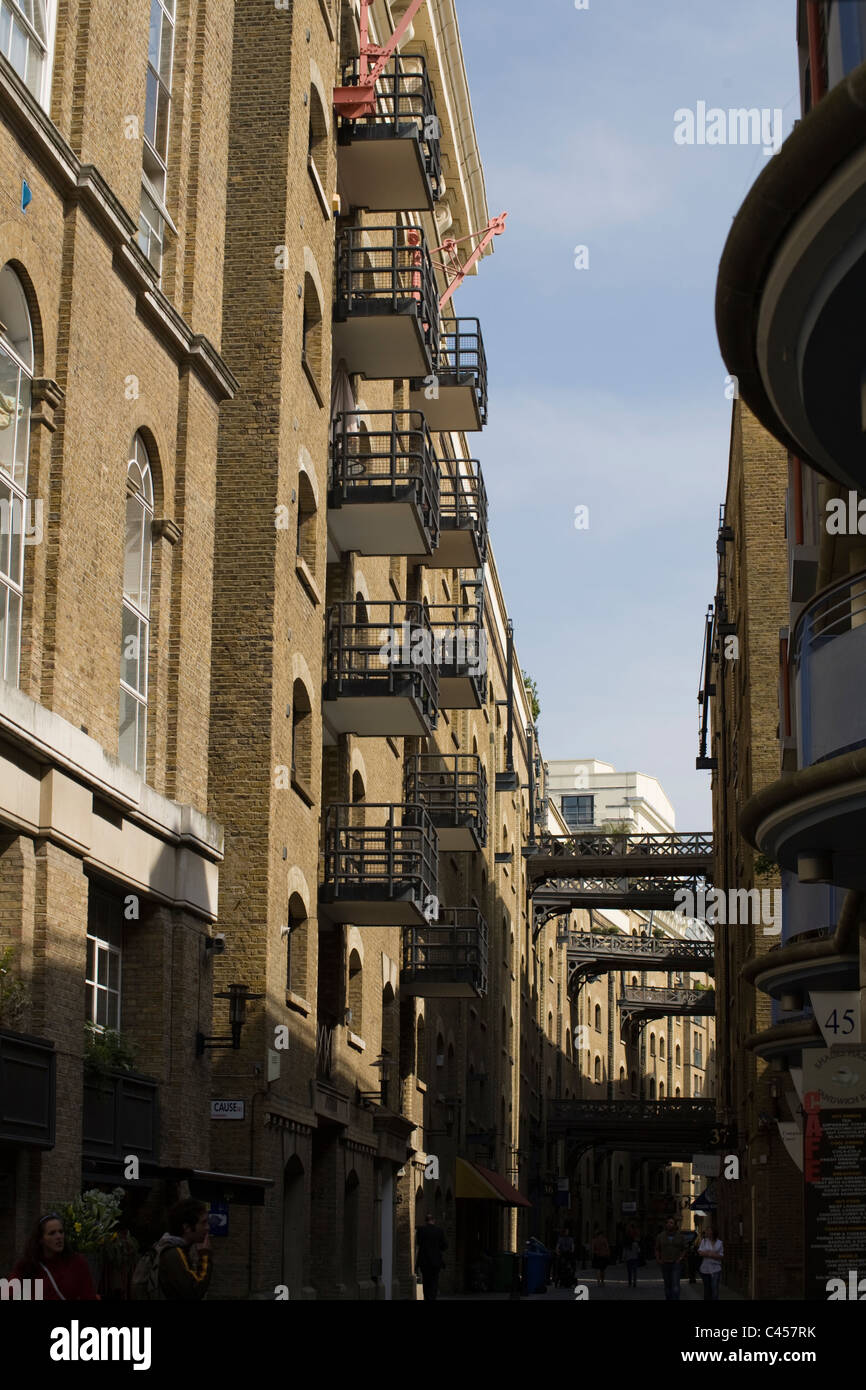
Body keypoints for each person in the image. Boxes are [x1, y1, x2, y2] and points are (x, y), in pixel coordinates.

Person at [8, 1212, 100, 1300]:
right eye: (52, 1233)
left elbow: (88, 1295)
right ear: (41, 1239)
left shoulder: (77, 1263)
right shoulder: (27, 1265)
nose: (59, 1236)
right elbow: (8, 1294)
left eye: (61, 1231)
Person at [154, 1199, 213, 1299]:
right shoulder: (173, 1254)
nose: (208, 1227)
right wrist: (205, 1256)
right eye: (203, 1223)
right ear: (187, 1228)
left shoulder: (177, 1250)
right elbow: (194, 1292)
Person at [655, 1216, 689, 1300]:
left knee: (675, 1285)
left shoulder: (680, 1236)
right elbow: (657, 1248)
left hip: (675, 1264)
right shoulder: (660, 1236)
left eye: (671, 1223)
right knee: (667, 1285)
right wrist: (658, 1259)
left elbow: (684, 1248)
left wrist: (680, 1258)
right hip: (665, 1263)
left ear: (674, 1225)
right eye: (667, 1223)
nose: (669, 1224)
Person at [415, 1213, 446, 1301]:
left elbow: (418, 1243)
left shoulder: (421, 1230)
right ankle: (433, 1297)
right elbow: (444, 1246)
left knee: (426, 1281)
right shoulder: (439, 1231)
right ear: (433, 1220)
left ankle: (427, 1297)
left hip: (424, 1260)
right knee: (434, 1281)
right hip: (436, 1261)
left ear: (426, 1221)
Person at [698, 1223, 724, 1301]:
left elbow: (721, 1256)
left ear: (713, 1232)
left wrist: (710, 1254)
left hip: (716, 1269)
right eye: (707, 1230)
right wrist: (711, 1254)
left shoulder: (719, 1243)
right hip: (705, 1269)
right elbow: (700, 1252)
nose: (707, 1232)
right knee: (707, 1290)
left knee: (714, 1289)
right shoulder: (704, 1241)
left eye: (709, 1230)